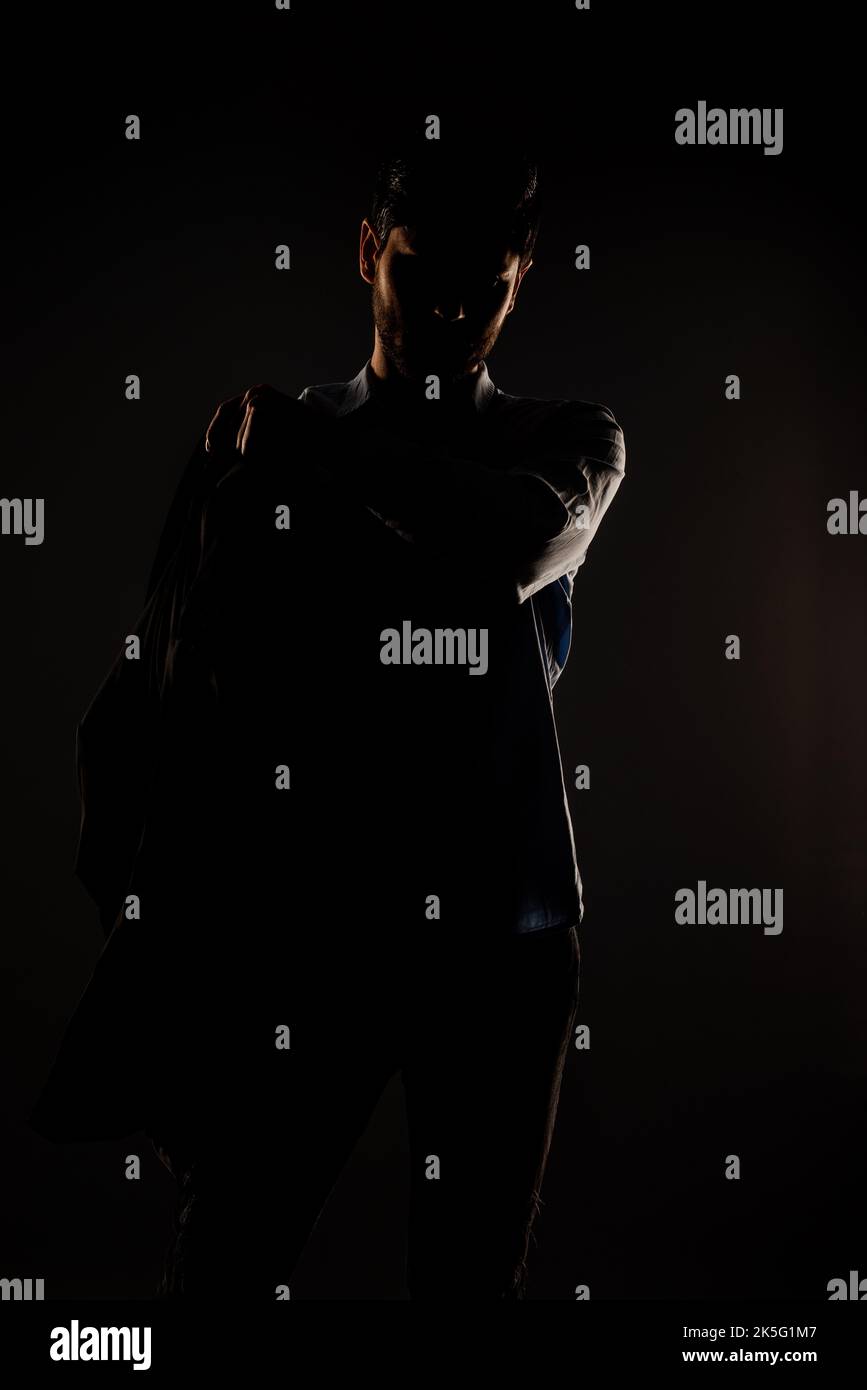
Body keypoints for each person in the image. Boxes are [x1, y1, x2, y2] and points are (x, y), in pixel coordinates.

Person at [29, 130, 626, 1300]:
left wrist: (318, 460)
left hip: (502, 939)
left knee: (468, 1287)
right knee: (225, 1258)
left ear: (525, 275)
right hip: (312, 931)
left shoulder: (568, 444)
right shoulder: (271, 446)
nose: (450, 309)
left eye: (485, 283)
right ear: (367, 252)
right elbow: (153, 702)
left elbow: (496, 546)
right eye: (420, 270)